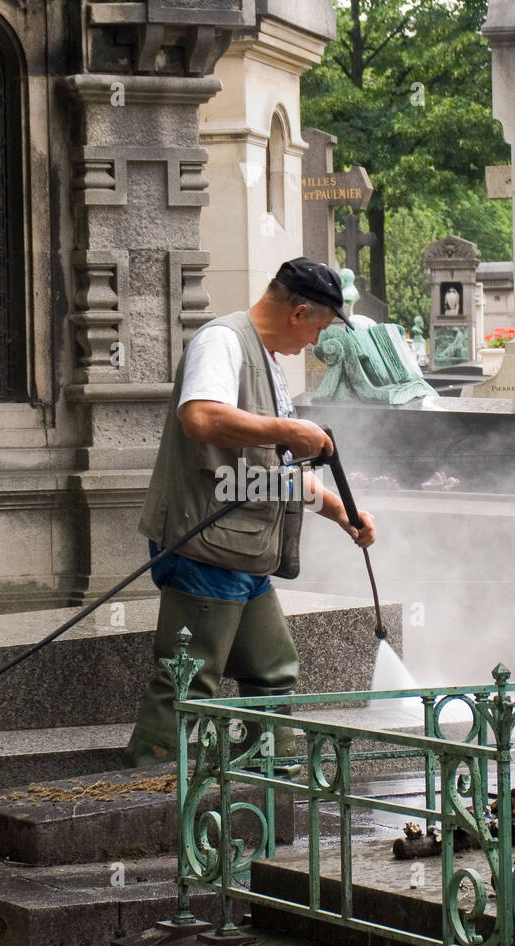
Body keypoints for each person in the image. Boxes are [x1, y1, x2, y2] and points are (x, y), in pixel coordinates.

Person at [125, 258, 378, 767]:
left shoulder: (266, 362)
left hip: (243, 549)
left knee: (272, 669)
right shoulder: (220, 343)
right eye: (318, 330)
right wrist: (288, 430)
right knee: (188, 679)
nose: (314, 344)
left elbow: (270, 466)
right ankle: (145, 793)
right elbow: (201, 417)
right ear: (300, 311)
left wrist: (339, 510)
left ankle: (264, 786)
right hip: (203, 544)